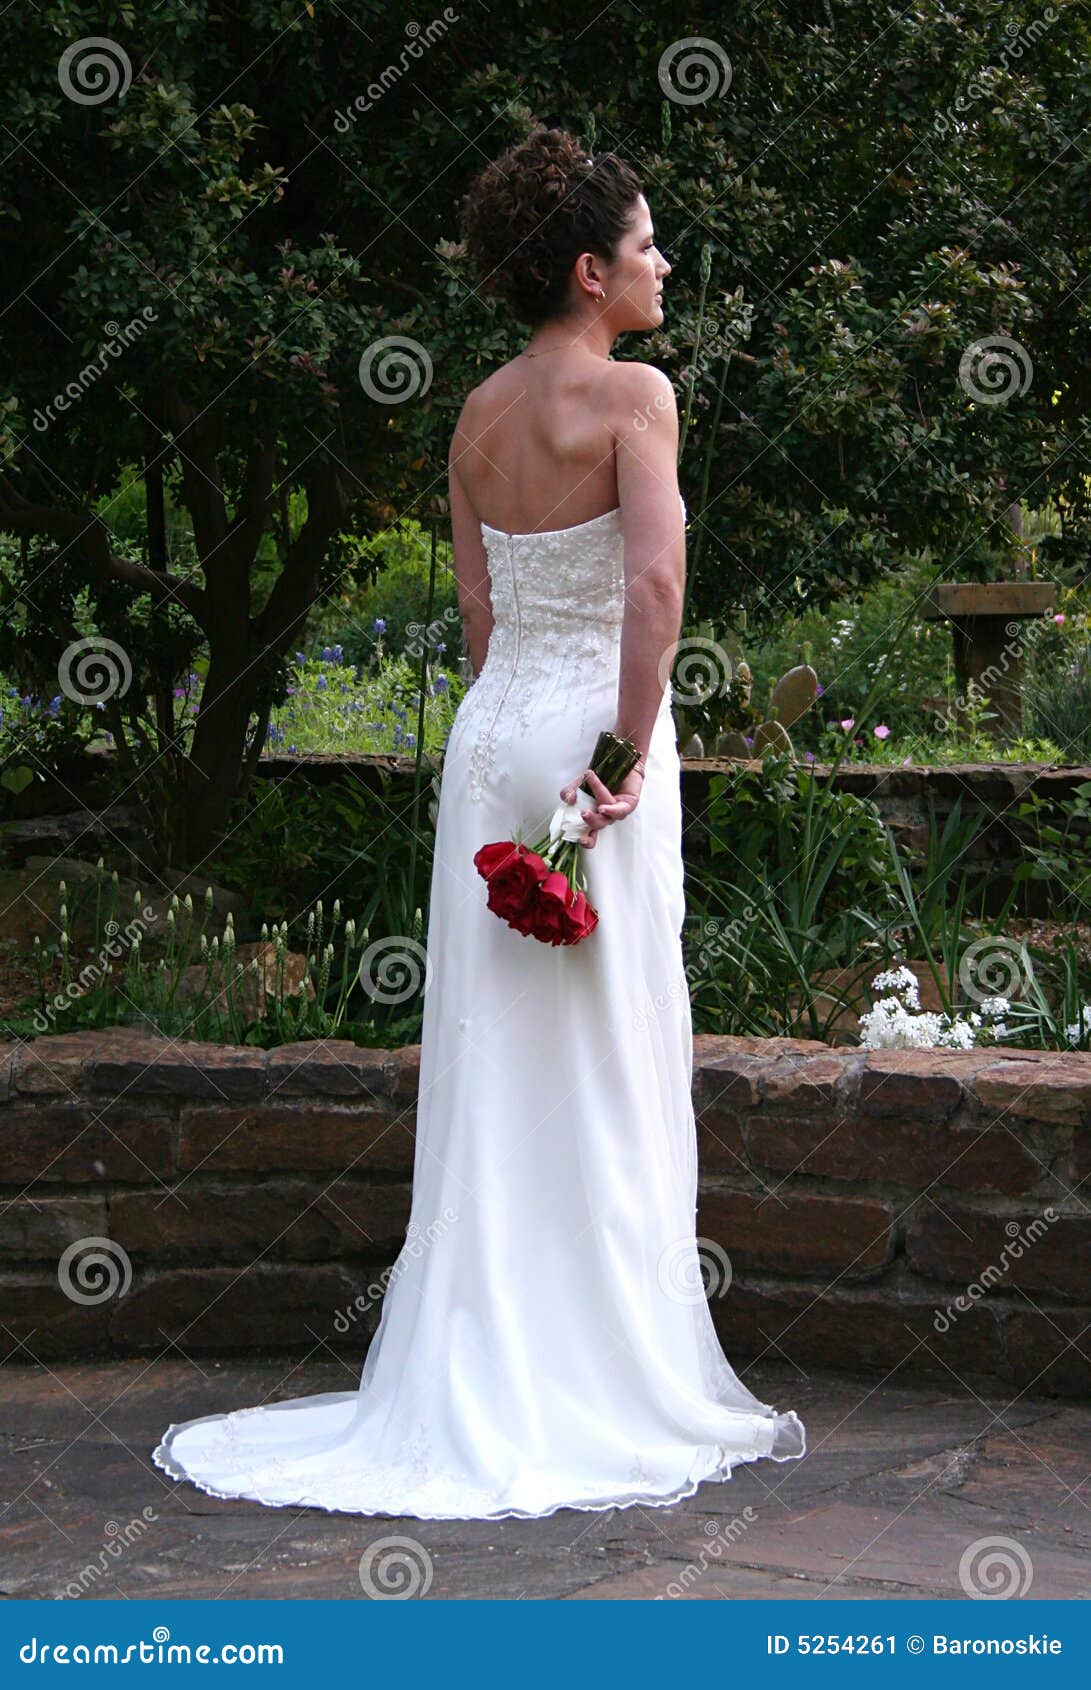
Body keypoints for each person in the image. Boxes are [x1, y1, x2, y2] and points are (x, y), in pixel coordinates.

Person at [152, 127, 805, 1519]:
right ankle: (605, 1375)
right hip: (594, 745)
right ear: (589, 269)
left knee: (491, 1059)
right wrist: (622, 752)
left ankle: (481, 1359)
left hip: (498, 735)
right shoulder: (637, 392)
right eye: (644, 243)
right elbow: (651, 594)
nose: (663, 263)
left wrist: (516, 737)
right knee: (608, 1052)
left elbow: (476, 616)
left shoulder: (476, 416)